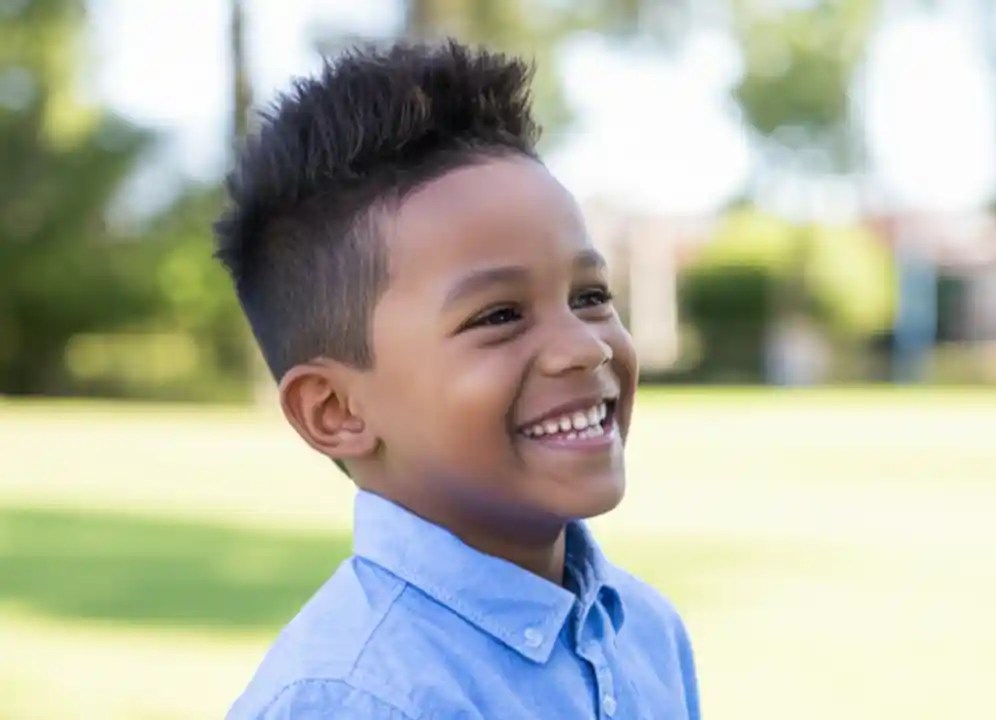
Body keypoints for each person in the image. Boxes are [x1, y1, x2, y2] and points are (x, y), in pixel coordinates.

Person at [216, 40, 700, 720]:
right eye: (500, 315)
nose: (583, 347)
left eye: (590, 295)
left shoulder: (644, 632)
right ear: (334, 410)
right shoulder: (357, 699)